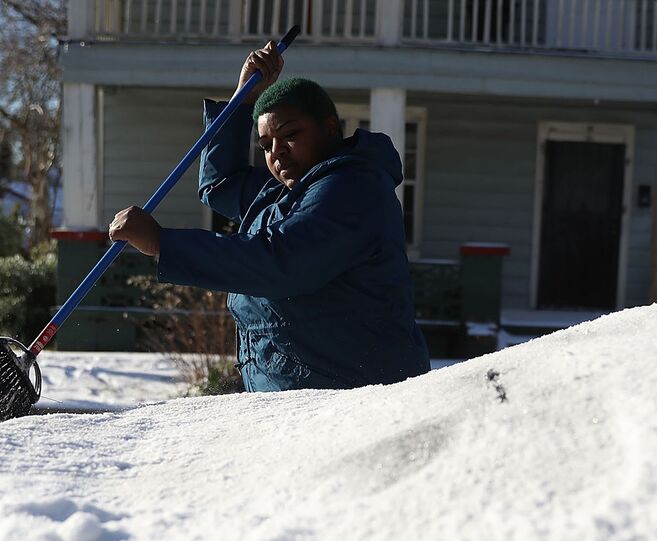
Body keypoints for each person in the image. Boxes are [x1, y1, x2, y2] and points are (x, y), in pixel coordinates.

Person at [108, 42, 431, 392]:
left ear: (329, 129)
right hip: (299, 400)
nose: (276, 153)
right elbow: (219, 184)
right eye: (265, 145)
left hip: (356, 399)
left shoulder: (353, 187)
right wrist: (242, 99)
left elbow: (282, 262)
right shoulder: (283, 193)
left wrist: (162, 242)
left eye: (290, 135)